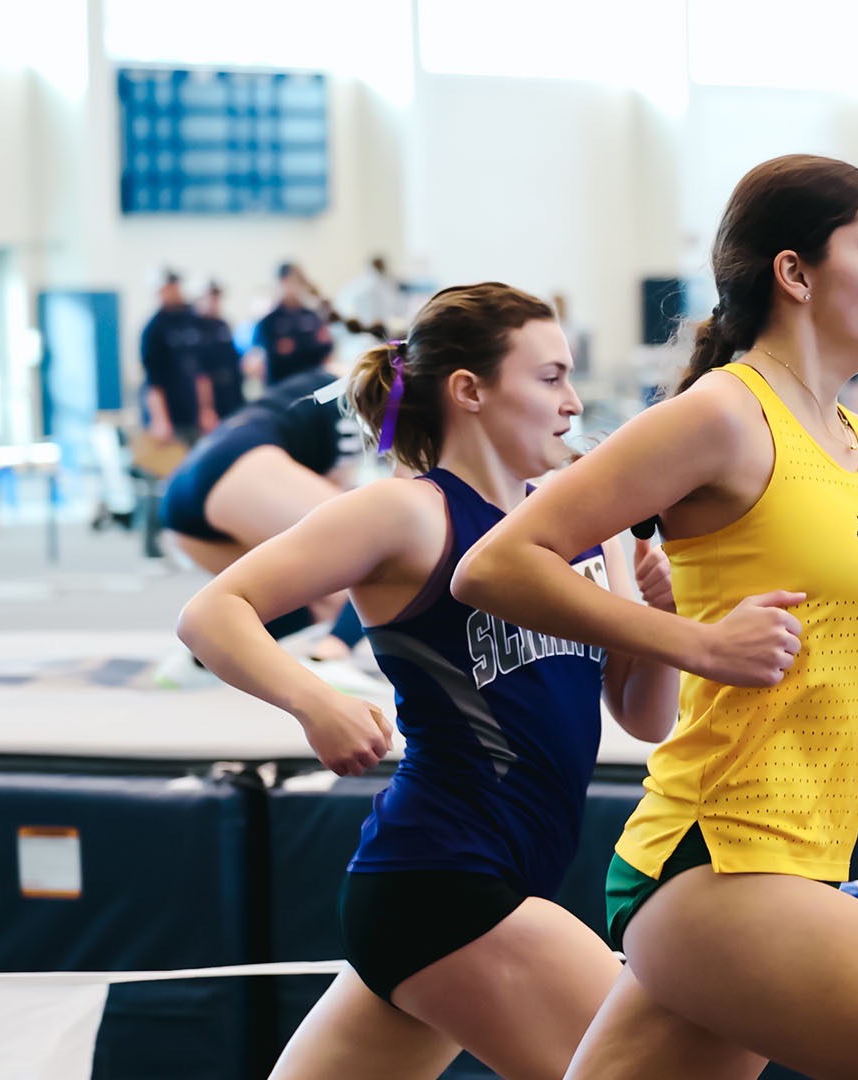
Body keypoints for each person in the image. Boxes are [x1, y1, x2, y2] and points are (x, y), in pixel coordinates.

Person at [454, 154, 858, 1080]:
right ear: (794, 273)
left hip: (796, 873)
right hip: (714, 867)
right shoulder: (722, 413)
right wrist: (697, 644)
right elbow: (496, 564)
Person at [176, 282, 681, 1079]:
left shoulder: (588, 528)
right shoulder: (408, 515)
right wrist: (317, 701)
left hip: (475, 885)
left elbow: (644, 716)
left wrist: (661, 618)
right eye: (549, 377)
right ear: (470, 390)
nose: (573, 402)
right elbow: (212, 611)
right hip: (446, 877)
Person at [160, 367, 371, 666]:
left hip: (186, 498)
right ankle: (331, 655)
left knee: (322, 597)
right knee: (371, 544)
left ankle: (203, 658)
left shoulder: (311, 385)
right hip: (240, 467)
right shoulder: (354, 391)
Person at [140, 269, 217, 448]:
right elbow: (153, 381)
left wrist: (207, 409)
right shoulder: (154, 328)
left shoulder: (193, 320)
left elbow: (202, 373)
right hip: (171, 414)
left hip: (193, 412)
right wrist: (160, 419)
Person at [252, 263, 335, 384]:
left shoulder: (312, 317)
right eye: (293, 280)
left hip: (311, 385)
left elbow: (326, 350)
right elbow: (257, 362)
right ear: (282, 281)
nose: (296, 286)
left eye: (299, 280)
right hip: (282, 388)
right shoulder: (269, 322)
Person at [196, 280, 247, 422]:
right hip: (210, 399)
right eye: (210, 297)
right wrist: (206, 408)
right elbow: (199, 373)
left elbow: (233, 360)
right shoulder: (193, 328)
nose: (214, 302)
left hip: (230, 396)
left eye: (217, 297)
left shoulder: (222, 324)